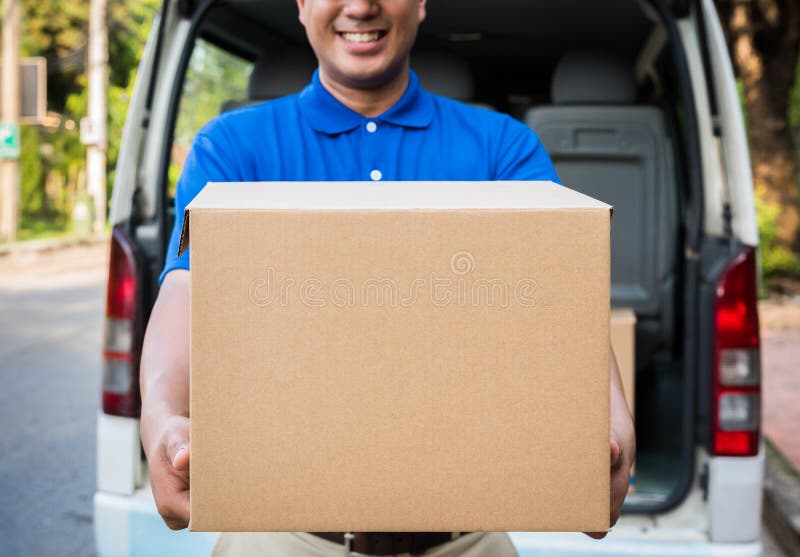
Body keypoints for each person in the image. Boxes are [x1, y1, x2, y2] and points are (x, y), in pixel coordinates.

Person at [140, 0, 636, 555]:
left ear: (421, 3)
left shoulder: (503, 148)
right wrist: (160, 419)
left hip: (466, 537)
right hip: (279, 536)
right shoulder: (231, 148)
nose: (360, 6)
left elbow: (562, 297)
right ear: (302, 4)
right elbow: (187, 290)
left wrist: (609, 423)